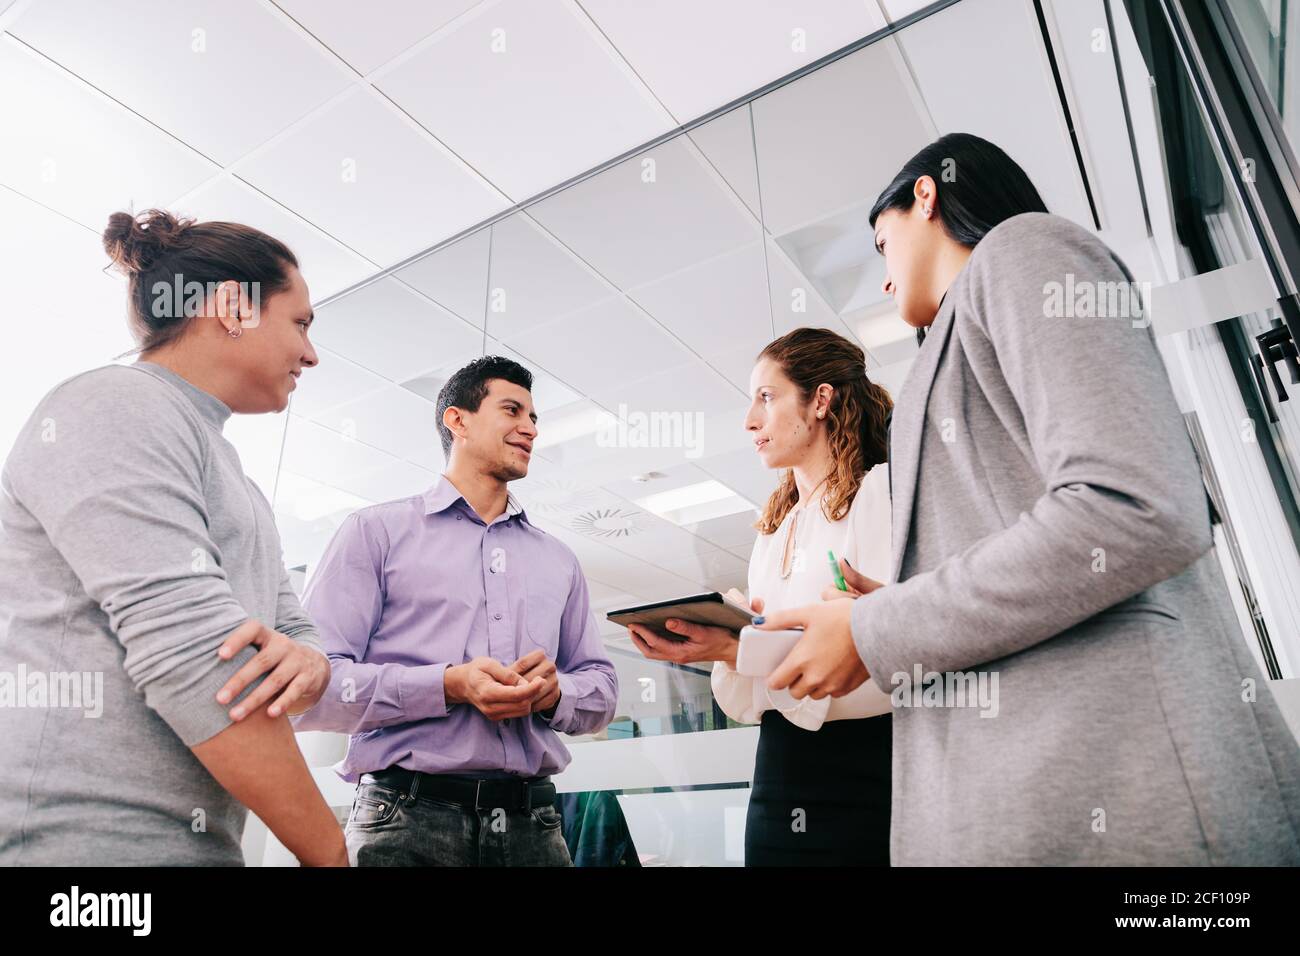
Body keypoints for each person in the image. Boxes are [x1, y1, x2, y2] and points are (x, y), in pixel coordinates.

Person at [759, 132, 1300, 864]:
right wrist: (887, 608)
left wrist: (878, 628)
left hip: (1128, 802)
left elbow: (1134, 505)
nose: (885, 281)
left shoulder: (1023, 251)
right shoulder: (953, 342)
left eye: (883, 245)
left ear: (927, 196)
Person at [0, 209, 346, 866]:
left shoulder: (241, 484)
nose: (310, 353)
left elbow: (295, 634)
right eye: (300, 323)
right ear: (232, 307)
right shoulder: (112, 403)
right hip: (79, 855)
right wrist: (331, 853)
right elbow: (193, 658)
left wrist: (312, 665)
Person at [291, 355, 619, 866]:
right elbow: (309, 690)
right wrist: (447, 685)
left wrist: (556, 693)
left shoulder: (559, 560)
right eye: (512, 410)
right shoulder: (374, 533)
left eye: (534, 418)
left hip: (533, 827)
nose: (530, 428)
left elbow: (602, 688)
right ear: (458, 420)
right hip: (406, 821)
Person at [627, 327, 894, 865]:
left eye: (766, 397)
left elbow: (888, 662)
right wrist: (732, 647)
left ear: (820, 400)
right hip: (777, 772)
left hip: (866, 769)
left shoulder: (880, 493)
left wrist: (740, 648)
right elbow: (748, 701)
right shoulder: (774, 530)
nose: (750, 420)